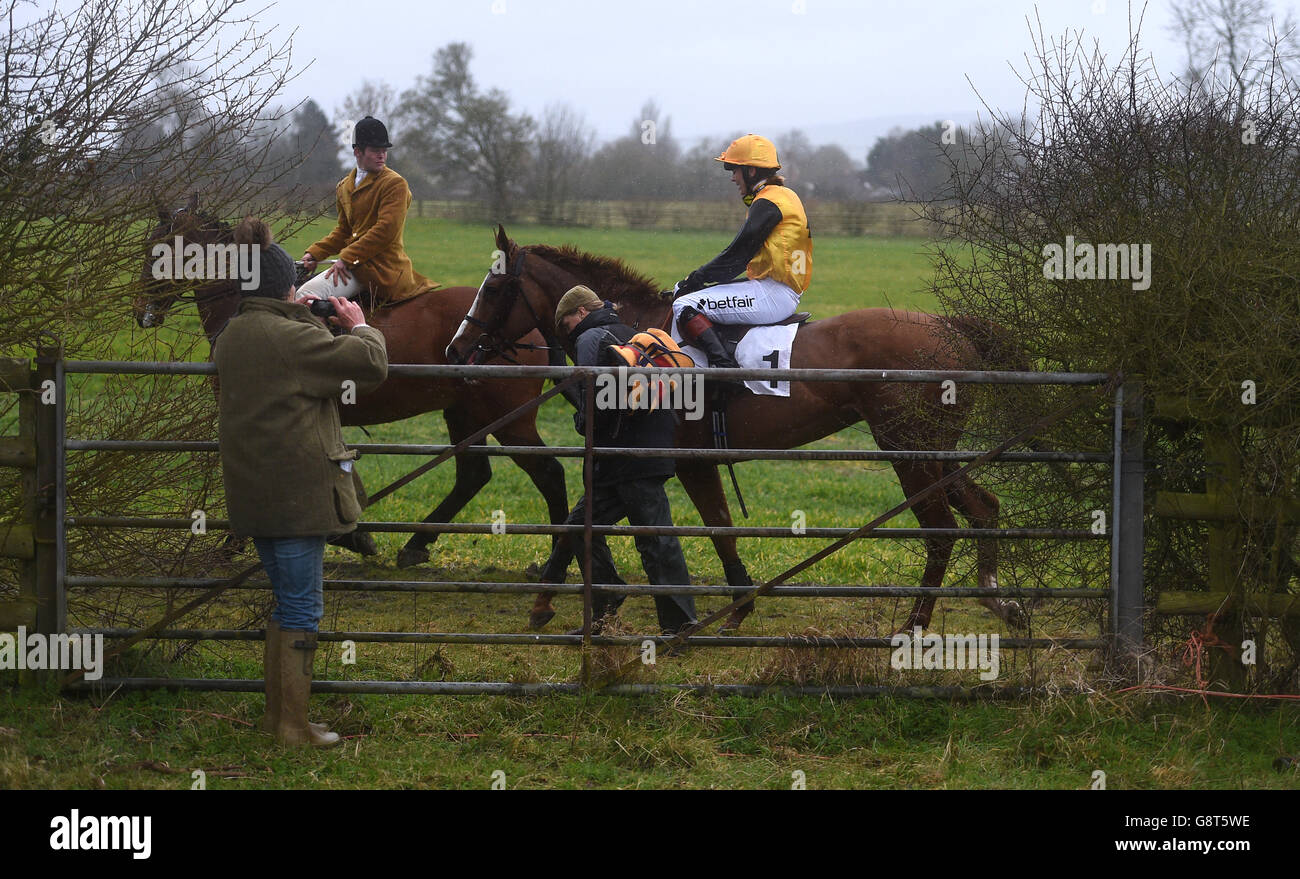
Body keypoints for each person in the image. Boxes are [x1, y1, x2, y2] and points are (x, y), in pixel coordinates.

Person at [214, 217, 388, 747]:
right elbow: (370, 364)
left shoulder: (233, 334)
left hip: (256, 495)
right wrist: (357, 323)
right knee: (301, 609)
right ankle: (293, 728)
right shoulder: (289, 337)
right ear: (284, 287)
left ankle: (278, 720)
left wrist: (306, 319)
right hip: (296, 496)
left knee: (285, 604)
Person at [536, 285, 698, 636]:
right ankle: (606, 608)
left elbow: (596, 396)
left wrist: (582, 421)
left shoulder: (590, 337)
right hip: (636, 451)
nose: (567, 332)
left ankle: (681, 625)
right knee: (581, 528)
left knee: (654, 539)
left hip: (627, 455)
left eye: (565, 324)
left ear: (580, 312)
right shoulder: (629, 332)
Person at [670, 134, 813, 369]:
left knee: (685, 305)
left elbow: (735, 257)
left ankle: (723, 372)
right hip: (776, 288)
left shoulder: (768, 201)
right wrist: (703, 280)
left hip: (773, 293)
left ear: (751, 171)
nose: (733, 178)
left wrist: (693, 279)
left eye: (735, 170)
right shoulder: (783, 196)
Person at [298, 115, 437, 306]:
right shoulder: (344, 186)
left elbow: (385, 231)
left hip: (381, 269)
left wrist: (346, 259)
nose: (382, 155)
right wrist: (314, 254)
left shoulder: (394, 183)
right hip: (355, 267)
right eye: (375, 150)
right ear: (357, 152)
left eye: (384, 150)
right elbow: (344, 231)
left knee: (305, 294)